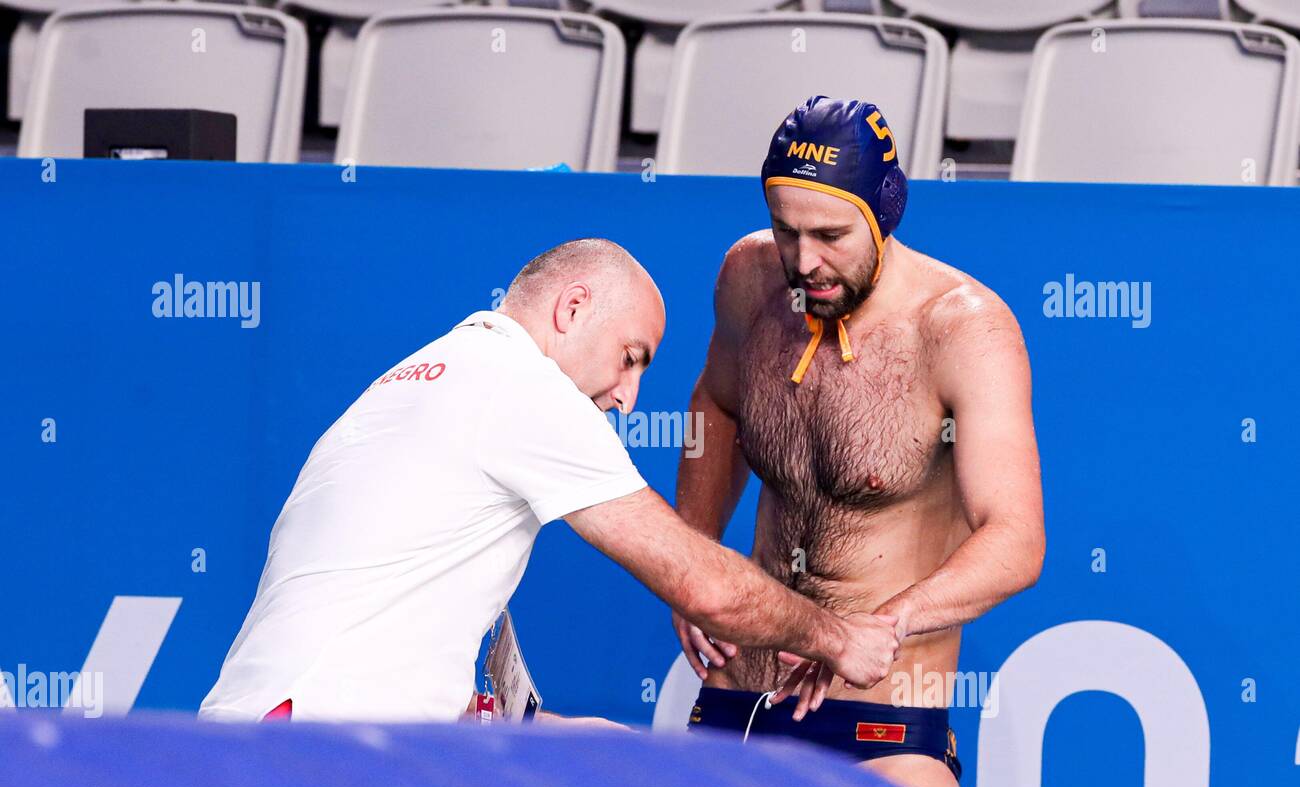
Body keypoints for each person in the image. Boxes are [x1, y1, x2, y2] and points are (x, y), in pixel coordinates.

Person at [200, 238, 897, 725]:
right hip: (313, 758)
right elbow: (703, 587)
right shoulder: (521, 387)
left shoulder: (423, 377)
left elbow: (399, 628)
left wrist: (545, 733)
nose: (628, 397)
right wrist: (837, 638)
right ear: (572, 309)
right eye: (630, 358)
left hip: (273, 738)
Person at [674, 98, 1045, 787]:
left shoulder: (962, 328)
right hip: (738, 702)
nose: (804, 261)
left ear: (886, 213)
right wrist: (692, 553)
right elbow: (717, 407)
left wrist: (884, 623)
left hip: (883, 720)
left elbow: (1017, 538)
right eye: (787, 232)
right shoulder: (750, 280)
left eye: (831, 235)